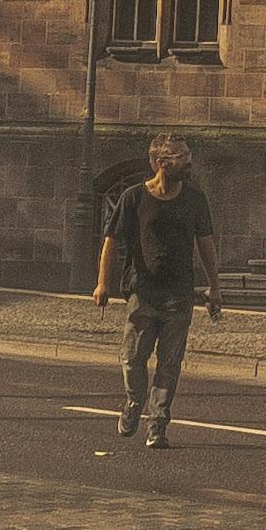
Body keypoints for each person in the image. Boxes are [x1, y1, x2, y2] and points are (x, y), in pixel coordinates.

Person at [91, 133, 220, 450]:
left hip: (179, 295)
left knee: (169, 364)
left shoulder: (194, 199)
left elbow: (206, 245)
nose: (188, 162)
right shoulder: (134, 198)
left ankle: (158, 424)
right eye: (181, 157)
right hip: (142, 293)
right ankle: (135, 401)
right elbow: (111, 241)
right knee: (133, 359)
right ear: (161, 163)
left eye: (188, 155)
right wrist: (102, 283)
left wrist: (215, 287)